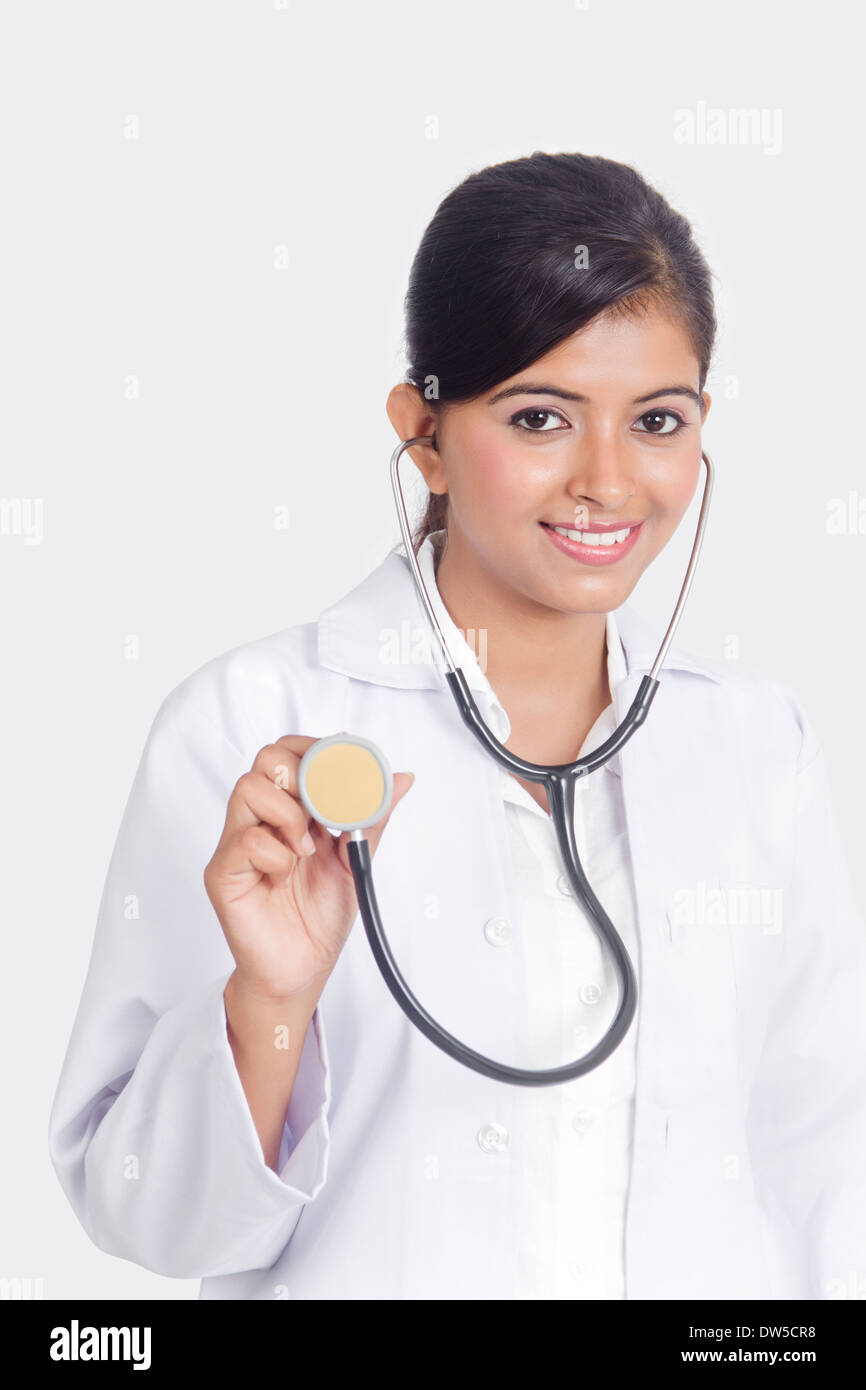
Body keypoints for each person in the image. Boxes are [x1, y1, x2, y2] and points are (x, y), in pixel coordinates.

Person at [48, 151, 866, 1301]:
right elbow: (149, 1219)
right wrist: (268, 1003)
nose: (605, 480)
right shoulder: (254, 729)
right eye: (539, 416)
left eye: (655, 420)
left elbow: (825, 1165)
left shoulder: (753, 747)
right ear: (421, 430)